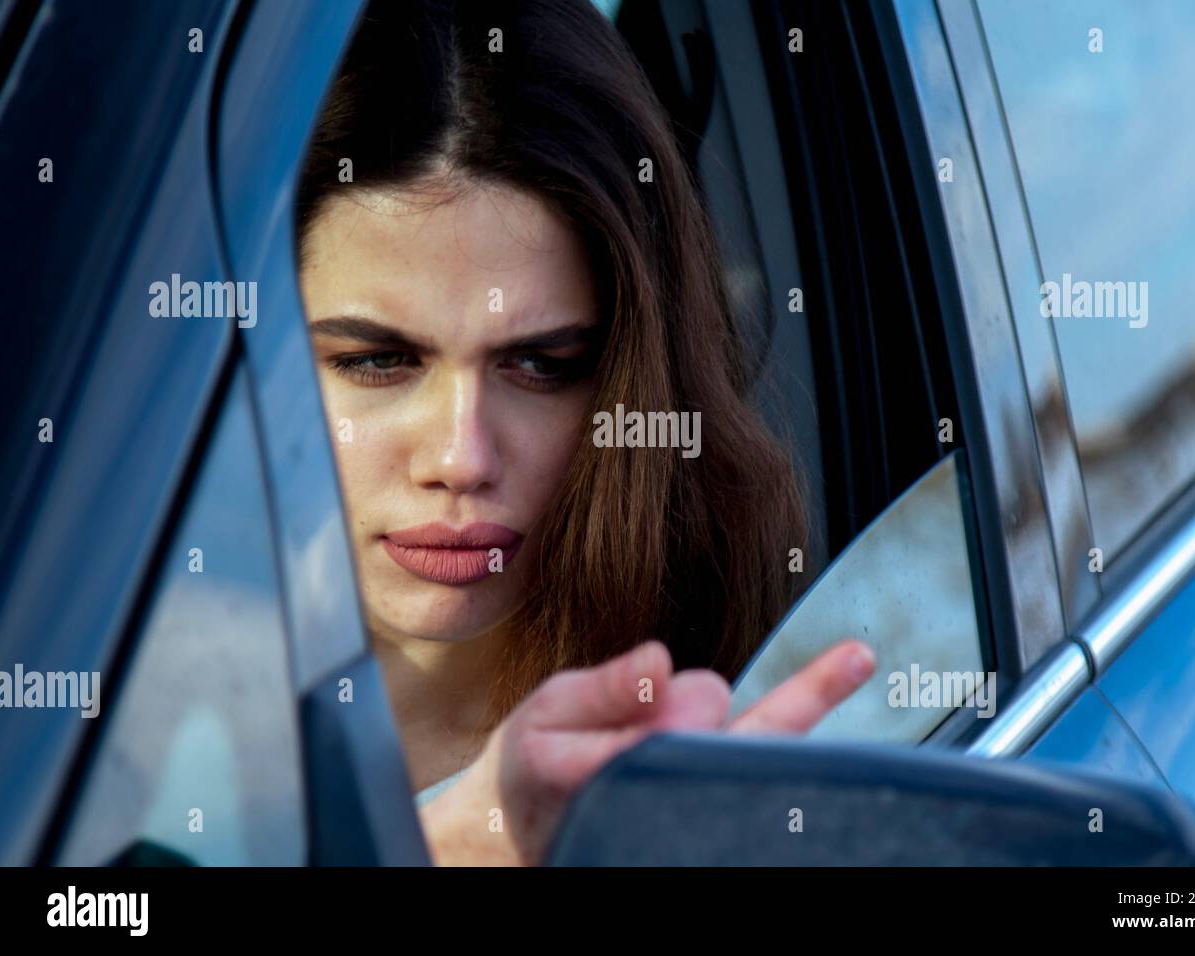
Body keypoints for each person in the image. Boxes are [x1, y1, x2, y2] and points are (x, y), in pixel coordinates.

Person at [295, 0, 874, 865]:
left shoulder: (735, 727)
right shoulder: (93, 677)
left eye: (543, 366)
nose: (461, 458)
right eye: (378, 362)